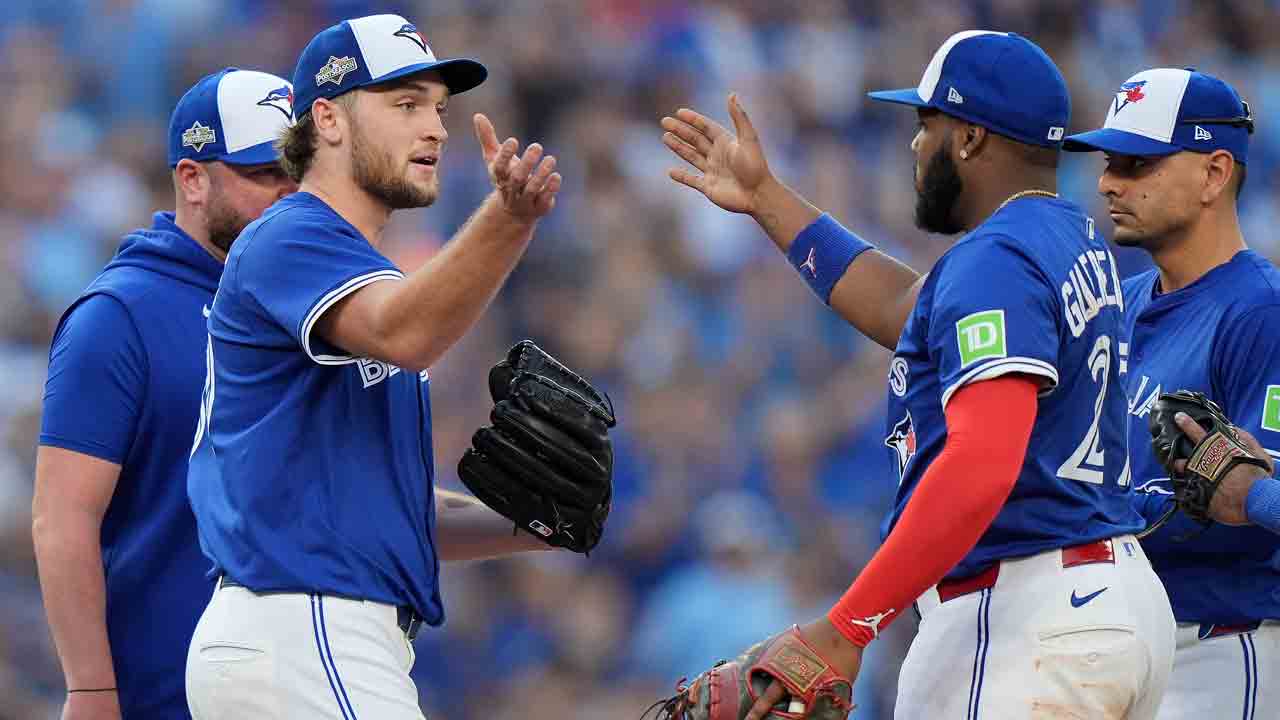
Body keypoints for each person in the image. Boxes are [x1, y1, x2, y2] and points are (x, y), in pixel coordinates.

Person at [660, 31, 1174, 718]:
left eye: (925, 124)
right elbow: (907, 309)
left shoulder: (995, 259)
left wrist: (847, 627)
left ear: (967, 138)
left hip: (1026, 613)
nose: (913, 145)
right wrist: (766, 199)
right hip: (1100, 602)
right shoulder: (1058, 234)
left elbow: (982, 461)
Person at [184, 14, 566, 719]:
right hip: (308, 629)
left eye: (438, 108)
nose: (436, 128)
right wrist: (508, 218)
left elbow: (396, 511)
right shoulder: (292, 234)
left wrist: (531, 520)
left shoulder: (351, 268)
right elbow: (406, 333)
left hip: (302, 640)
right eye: (405, 104)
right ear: (326, 119)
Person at [32, 68, 297, 720]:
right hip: (163, 691)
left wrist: (526, 522)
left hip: (298, 686)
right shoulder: (120, 314)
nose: (289, 191)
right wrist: (91, 690)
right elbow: (63, 517)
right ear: (193, 179)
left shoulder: (304, 311)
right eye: (263, 173)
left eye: (299, 172)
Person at [1063, 67, 1280, 719]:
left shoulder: (1259, 311)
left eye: (1138, 162)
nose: (1108, 182)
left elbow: (1251, 495)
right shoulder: (1119, 305)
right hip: (1119, 646)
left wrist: (1116, 510)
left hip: (1217, 647)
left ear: (1215, 173)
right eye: (1109, 161)